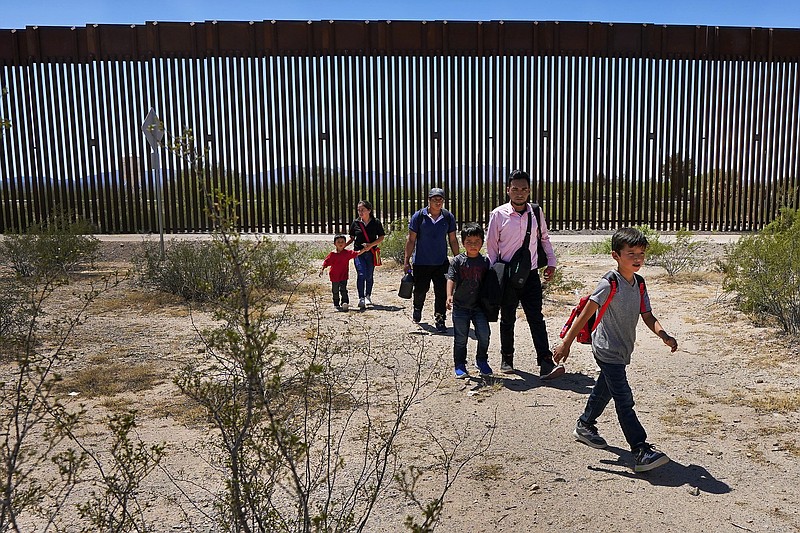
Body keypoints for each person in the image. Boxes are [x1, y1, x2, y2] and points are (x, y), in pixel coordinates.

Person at [553, 227, 679, 473]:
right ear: (616, 255)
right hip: (606, 348)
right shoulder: (609, 282)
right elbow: (585, 313)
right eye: (631, 253)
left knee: (606, 387)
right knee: (624, 399)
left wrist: (663, 335)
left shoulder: (639, 283)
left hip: (622, 349)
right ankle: (640, 450)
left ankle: (585, 424)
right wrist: (566, 342)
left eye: (641, 253)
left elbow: (647, 315)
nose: (637, 258)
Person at [485, 169, 563, 379]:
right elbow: (491, 248)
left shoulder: (536, 212)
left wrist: (551, 263)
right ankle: (507, 358)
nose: (519, 193)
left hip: (530, 274)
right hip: (507, 275)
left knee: (536, 317)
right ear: (507, 190)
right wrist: (493, 277)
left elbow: (544, 239)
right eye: (515, 189)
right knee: (507, 317)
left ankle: (545, 362)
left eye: (524, 189)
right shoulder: (498, 214)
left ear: (529, 191)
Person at [404, 187, 459, 332]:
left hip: (441, 262)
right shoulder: (419, 217)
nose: (438, 202)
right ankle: (417, 308)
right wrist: (406, 260)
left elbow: (453, 240)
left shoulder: (447, 217)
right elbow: (411, 240)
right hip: (421, 262)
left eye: (440, 199)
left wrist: (458, 259)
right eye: (435, 199)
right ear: (429, 200)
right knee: (421, 289)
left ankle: (440, 318)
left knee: (441, 292)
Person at [446, 223, 493, 379]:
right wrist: (449, 295)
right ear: (463, 242)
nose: (473, 245)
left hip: (479, 307)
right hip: (460, 306)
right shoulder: (457, 261)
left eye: (476, 242)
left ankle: (482, 360)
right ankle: (460, 364)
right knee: (461, 338)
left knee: (484, 335)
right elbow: (451, 278)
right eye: (469, 242)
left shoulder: (486, 262)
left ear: (482, 242)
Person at [346, 200, 385, 310]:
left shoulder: (376, 222)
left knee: (369, 275)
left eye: (362, 210)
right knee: (361, 273)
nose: (360, 212)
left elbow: (381, 237)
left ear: (369, 210)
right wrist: (343, 246)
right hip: (358, 253)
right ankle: (361, 298)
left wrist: (370, 245)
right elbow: (352, 238)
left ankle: (368, 295)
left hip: (371, 253)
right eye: (359, 210)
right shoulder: (356, 223)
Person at [319, 234, 362, 311]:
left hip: (343, 275)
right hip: (334, 275)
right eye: (338, 242)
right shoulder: (332, 254)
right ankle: (336, 303)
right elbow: (326, 262)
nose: (340, 243)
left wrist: (365, 249)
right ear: (334, 243)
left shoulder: (347, 253)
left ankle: (345, 302)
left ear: (345, 243)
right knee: (335, 290)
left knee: (343, 289)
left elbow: (357, 253)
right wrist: (322, 269)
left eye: (342, 242)